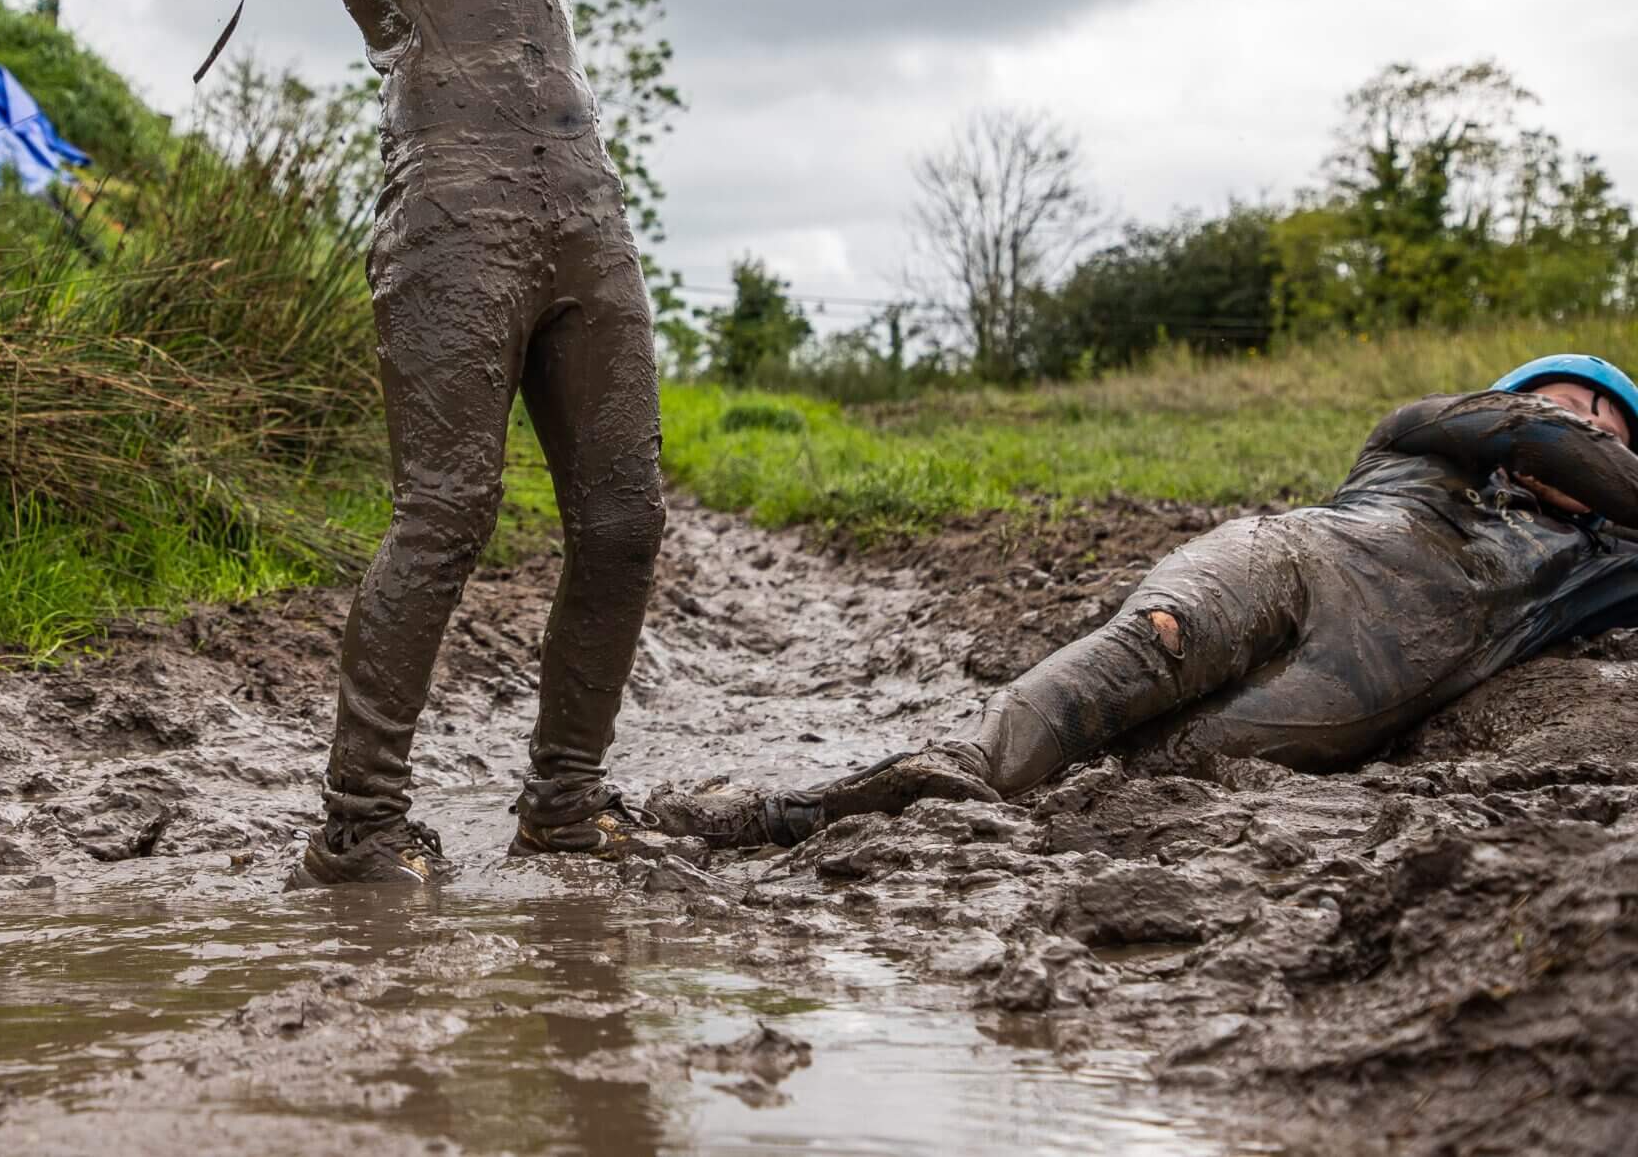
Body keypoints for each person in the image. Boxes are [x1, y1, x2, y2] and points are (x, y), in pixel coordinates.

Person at [0, 0, 963, 887]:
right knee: (445, 516)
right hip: (449, 221)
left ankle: (565, 804)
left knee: (623, 524)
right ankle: (359, 827)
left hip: (586, 216)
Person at [655, 358, 1638, 850]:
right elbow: (1536, 436)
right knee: (1146, 646)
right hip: (1285, 562)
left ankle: (1002, 832)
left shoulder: (1601, 559)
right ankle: (845, 798)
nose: (1582, 428)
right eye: (1564, 402)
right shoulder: (1426, 439)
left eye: (1609, 424)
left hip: (1370, 681)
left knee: (1162, 768)